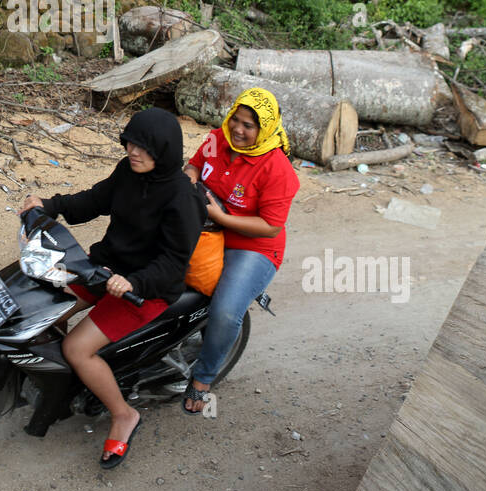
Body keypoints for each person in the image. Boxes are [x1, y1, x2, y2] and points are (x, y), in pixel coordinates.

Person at [20, 107, 201, 468]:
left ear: (164, 151)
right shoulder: (128, 171)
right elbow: (95, 199)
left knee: (77, 347)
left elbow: (172, 262)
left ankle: (122, 414)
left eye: (144, 148)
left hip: (145, 289)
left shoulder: (183, 199)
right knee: (39, 307)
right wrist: (49, 206)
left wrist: (134, 281)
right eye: (131, 143)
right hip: (104, 267)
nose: (134, 152)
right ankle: (62, 387)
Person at [181, 87, 300, 414]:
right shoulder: (218, 138)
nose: (238, 129)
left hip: (252, 246)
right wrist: (189, 180)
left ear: (265, 128)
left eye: (249, 125)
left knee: (226, 310)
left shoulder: (277, 169)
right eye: (237, 119)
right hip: (205, 230)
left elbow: (271, 226)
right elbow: (193, 165)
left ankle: (204, 378)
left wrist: (221, 216)